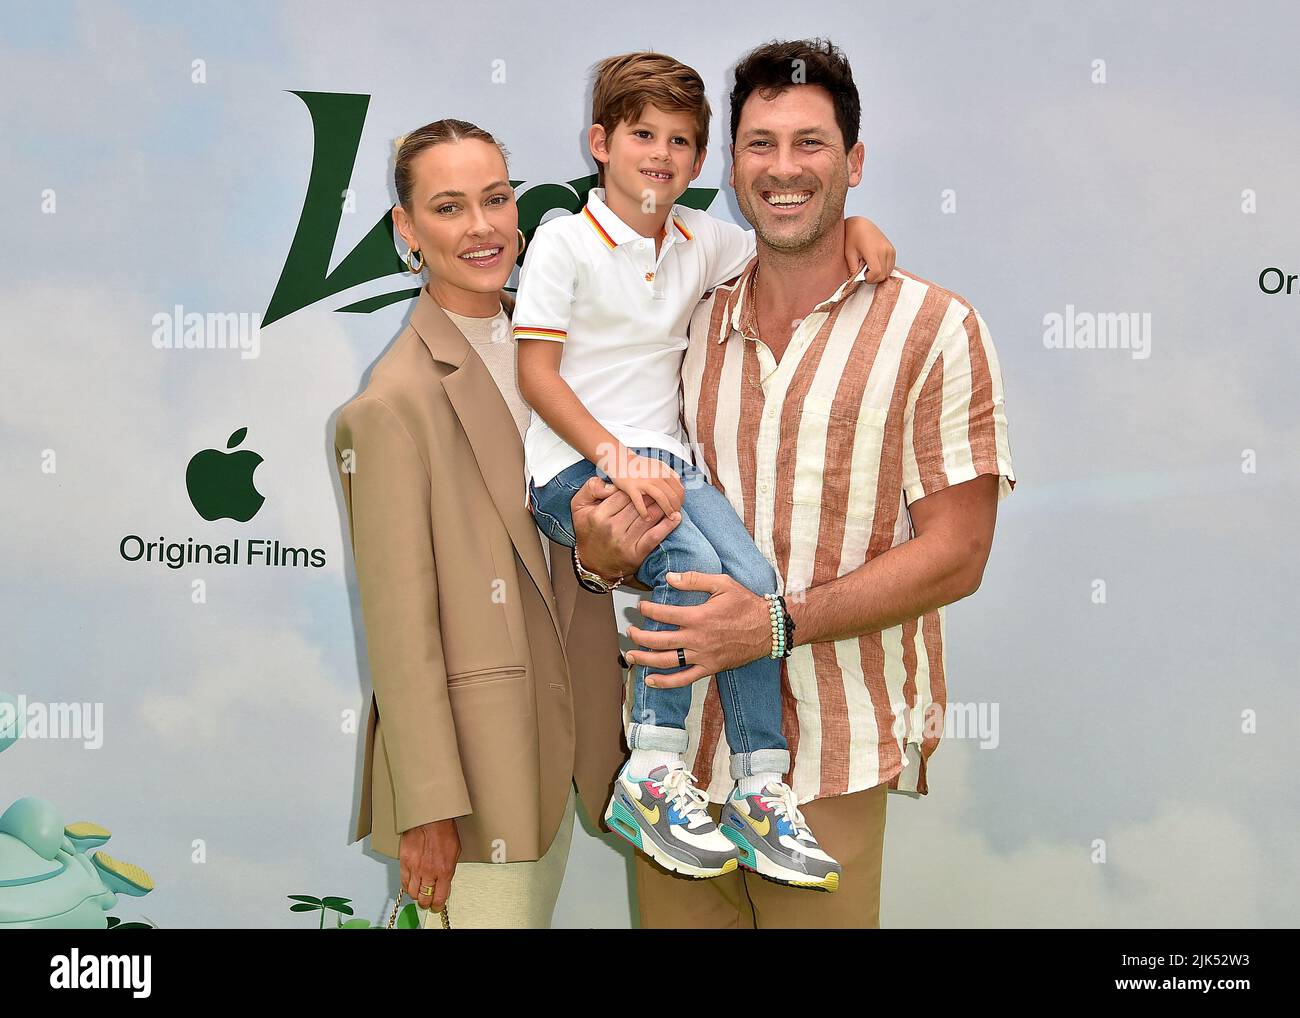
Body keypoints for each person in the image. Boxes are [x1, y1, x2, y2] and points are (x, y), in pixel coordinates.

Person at [569, 38, 1018, 928]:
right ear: (729, 166)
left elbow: (959, 556)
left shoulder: (934, 327)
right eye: (760, 144)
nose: (784, 169)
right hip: (675, 754)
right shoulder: (684, 313)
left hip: (831, 754)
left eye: (810, 144)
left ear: (853, 162)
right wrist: (599, 559)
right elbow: (629, 500)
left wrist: (771, 623)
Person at [515, 51, 897, 889]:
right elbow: (537, 375)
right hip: (574, 470)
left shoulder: (704, 238)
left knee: (755, 585)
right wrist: (612, 461)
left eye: (682, 141)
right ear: (599, 142)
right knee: (688, 566)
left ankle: (761, 785)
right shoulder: (562, 241)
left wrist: (859, 230)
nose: (661, 154)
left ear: (701, 161)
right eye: (642, 134)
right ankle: (651, 771)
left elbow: (797, 241)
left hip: (666, 465)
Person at [333, 119, 643, 928]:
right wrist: (426, 810)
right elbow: (402, 635)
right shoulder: (391, 406)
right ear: (407, 229)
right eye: (448, 207)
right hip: (473, 789)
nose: (481, 227)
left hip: (567, 745)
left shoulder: (560, 350)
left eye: (496, 199)